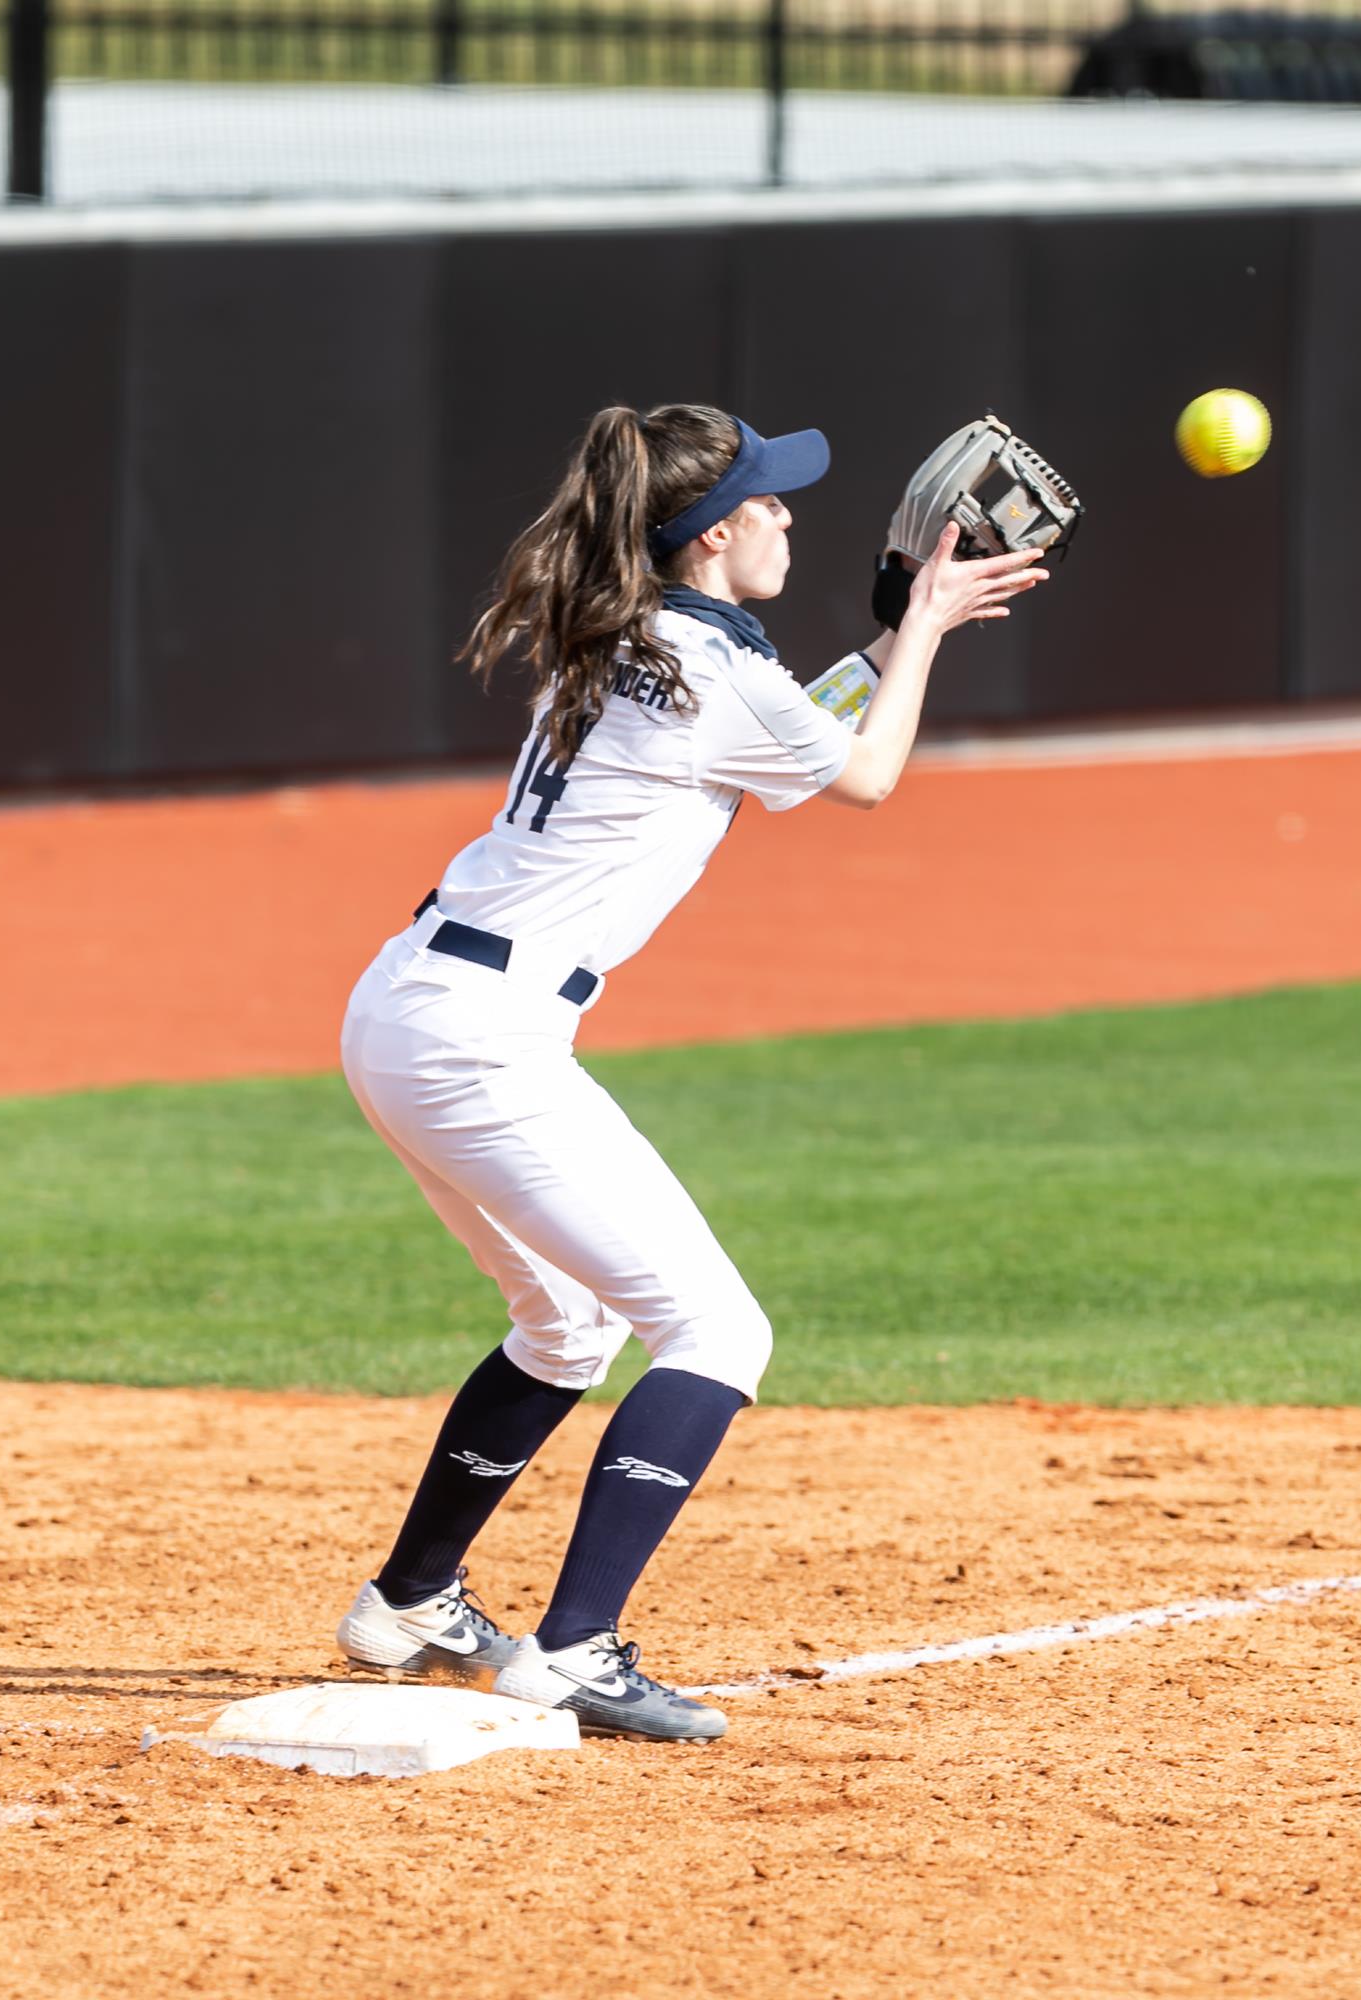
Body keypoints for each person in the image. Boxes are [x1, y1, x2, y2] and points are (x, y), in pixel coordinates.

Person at [335, 403, 1047, 1743]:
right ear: (716, 535)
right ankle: (573, 1648)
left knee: (564, 1326)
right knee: (719, 1333)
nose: (789, 515)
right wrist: (927, 632)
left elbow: (792, 747)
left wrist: (896, 631)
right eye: (770, 502)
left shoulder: (635, 635)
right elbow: (868, 774)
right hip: (484, 1043)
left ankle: (414, 1602)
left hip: (409, 1009)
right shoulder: (710, 666)